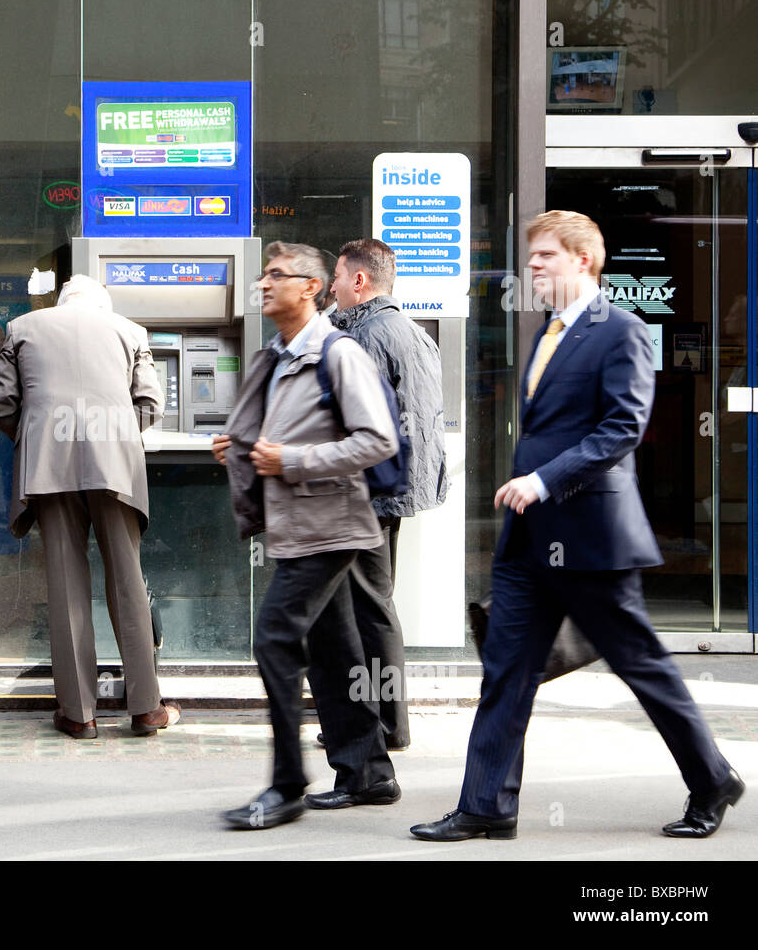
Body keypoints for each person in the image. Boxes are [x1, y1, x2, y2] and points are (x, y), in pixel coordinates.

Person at [411, 211, 744, 842]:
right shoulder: (547, 333)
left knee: (641, 665)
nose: (532, 265)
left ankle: (712, 778)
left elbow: (621, 429)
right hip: (528, 540)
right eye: (531, 256)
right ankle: (485, 806)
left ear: (584, 261)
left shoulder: (621, 332)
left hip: (591, 535)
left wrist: (542, 481)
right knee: (506, 668)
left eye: (545, 256)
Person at [212, 242, 398, 830]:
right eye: (263, 276)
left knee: (273, 641)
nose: (264, 285)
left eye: (277, 276)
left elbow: (377, 440)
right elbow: (278, 432)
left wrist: (290, 460)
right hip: (301, 527)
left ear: (311, 287)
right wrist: (240, 449)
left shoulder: (336, 354)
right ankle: (369, 771)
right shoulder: (279, 354)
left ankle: (287, 784)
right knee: (335, 650)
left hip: (330, 527)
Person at [0, 275, 179, 739]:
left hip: (49, 467)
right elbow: (151, 405)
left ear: (63, 303)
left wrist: (37, 436)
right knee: (127, 580)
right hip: (113, 466)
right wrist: (110, 435)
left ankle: (79, 714)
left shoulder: (22, 327)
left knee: (66, 583)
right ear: (102, 305)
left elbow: (0, 403)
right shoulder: (130, 332)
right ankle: (146, 709)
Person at [326, 238, 447, 751]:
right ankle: (383, 722)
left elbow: (356, 424)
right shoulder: (410, 330)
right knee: (372, 605)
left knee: (368, 611)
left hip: (368, 493)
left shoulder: (368, 336)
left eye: (336, 277)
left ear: (360, 281)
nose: (330, 286)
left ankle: (384, 725)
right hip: (392, 490)